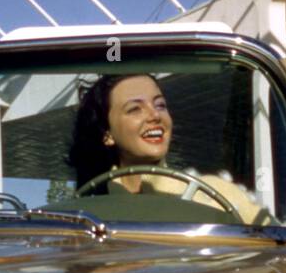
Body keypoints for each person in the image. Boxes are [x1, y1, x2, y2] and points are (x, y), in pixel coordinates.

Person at [68, 73, 268, 224]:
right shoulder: (85, 215)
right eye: (134, 109)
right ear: (107, 134)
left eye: (160, 105)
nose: (155, 116)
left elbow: (276, 248)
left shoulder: (220, 194)